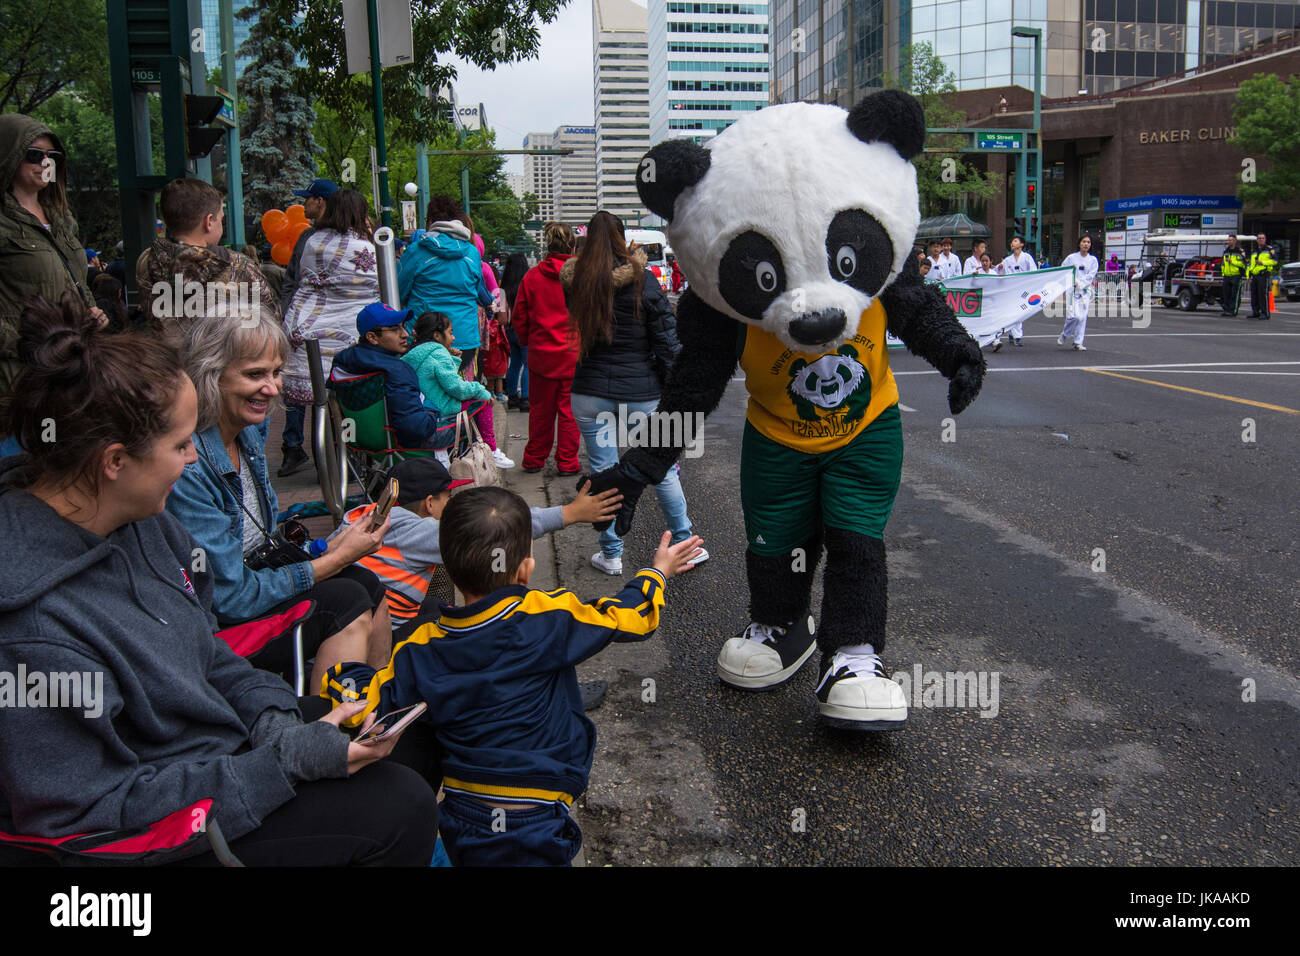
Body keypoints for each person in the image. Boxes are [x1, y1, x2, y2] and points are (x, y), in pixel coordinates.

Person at [0, 293, 437, 866]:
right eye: (181, 444)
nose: (190, 461)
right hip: (148, 827)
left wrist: (279, 724)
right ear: (114, 461)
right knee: (399, 805)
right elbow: (91, 817)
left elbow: (207, 650)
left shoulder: (142, 524)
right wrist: (282, 762)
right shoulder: (33, 627)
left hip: (210, 755)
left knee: (410, 737)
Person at [322, 486, 703, 866]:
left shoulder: (422, 646)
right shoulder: (547, 616)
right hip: (534, 817)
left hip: (461, 813)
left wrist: (340, 674)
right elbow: (630, 617)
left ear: (448, 567)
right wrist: (656, 573)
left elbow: (363, 699)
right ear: (525, 568)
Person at [165, 306, 395, 691]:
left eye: (275, 372)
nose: (272, 388)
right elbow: (230, 598)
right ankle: (334, 730)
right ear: (209, 374)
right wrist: (334, 559)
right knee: (345, 603)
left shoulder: (248, 431)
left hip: (258, 578)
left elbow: (264, 541)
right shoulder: (188, 466)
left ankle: (379, 706)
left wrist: (325, 547)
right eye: (255, 374)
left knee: (368, 583)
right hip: (217, 623)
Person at [563, 210, 709, 575]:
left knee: (603, 472)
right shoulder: (644, 281)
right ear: (621, 237)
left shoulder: (577, 282)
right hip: (643, 392)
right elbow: (667, 340)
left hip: (589, 391)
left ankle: (611, 555)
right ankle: (685, 542)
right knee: (660, 469)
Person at [330, 457, 622, 631]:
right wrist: (569, 513)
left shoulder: (363, 514)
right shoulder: (415, 531)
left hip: (354, 616)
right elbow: (489, 529)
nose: (453, 504)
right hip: (382, 634)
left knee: (438, 607)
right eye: (449, 498)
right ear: (430, 503)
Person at [0, 113, 101, 407]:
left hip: (74, 372)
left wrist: (93, 311)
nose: (45, 162)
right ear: (9, 157)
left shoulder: (62, 219)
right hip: (22, 380)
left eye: (52, 155)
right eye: (34, 155)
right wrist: (26, 343)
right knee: (31, 450)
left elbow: (76, 279)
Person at [279, 189, 380, 478]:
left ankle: (327, 464)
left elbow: (301, 280)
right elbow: (378, 285)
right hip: (353, 335)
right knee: (350, 405)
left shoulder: (313, 241)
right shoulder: (366, 247)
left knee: (321, 406)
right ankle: (351, 460)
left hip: (310, 332)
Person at [136, 178, 276, 332]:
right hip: (222, 354)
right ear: (209, 222)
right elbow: (269, 321)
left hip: (167, 354)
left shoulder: (146, 261)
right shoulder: (239, 266)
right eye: (221, 220)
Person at [397, 195, 494, 374]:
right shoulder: (471, 253)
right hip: (464, 337)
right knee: (459, 391)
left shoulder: (415, 251)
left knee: (426, 393)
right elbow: (475, 288)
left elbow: (399, 292)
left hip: (424, 338)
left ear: (431, 221)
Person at [513, 221, 581, 475]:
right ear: (572, 246)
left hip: (541, 355)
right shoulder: (580, 276)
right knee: (568, 413)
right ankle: (567, 462)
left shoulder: (532, 277)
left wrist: (528, 341)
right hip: (573, 354)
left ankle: (534, 459)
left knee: (540, 411)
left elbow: (519, 316)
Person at [401, 310, 491, 457]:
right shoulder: (438, 353)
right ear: (437, 335)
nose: (453, 338)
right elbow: (456, 388)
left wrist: (452, 359)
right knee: (483, 402)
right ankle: (490, 448)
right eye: (450, 333)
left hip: (423, 418)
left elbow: (441, 380)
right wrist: (480, 390)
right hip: (440, 420)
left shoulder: (414, 354)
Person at [280, 178, 337, 311]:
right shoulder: (306, 235)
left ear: (319, 201)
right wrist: (286, 309)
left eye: (307, 198)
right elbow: (291, 278)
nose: (303, 204)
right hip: (298, 314)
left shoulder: (341, 237)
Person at [994, 235, 1037, 350]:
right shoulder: (1007, 260)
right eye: (1012, 241)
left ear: (1021, 244)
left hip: (1023, 289)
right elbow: (996, 271)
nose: (1013, 243)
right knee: (1012, 311)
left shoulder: (1027, 257)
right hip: (1011, 289)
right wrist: (999, 267)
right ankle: (1016, 335)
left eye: (1015, 241)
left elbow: (1034, 272)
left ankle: (1015, 335)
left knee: (1019, 312)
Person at [1058, 234, 1099, 351]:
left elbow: (1091, 275)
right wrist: (1072, 281)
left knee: (1082, 317)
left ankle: (1078, 342)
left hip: (1085, 291)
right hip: (1072, 290)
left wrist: (1080, 283)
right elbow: (1063, 269)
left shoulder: (1093, 260)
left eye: (1088, 242)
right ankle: (1065, 334)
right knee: (1074, 316)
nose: (1086, 244)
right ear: (1079, 243)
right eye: (1084, 242)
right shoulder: (1071, 258)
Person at [501, 253, 530, 411]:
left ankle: (512, 397)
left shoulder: (503, 288)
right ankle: (526, 398)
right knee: (528, 364)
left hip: (508, 330)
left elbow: (500, 314)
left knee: (514, 363)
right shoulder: (526, 284)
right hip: (524, 329)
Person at [1247, 232, 1277, 320]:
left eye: (1262, 238)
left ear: (1265, 239)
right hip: (1255, 275)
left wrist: (1263, 263)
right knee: (1254, 294)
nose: (1261, 240)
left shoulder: (1269, 249)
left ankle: (1265, 313)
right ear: (1257, 240)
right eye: (1259, 238)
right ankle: (1255, 312)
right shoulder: (1254, 251)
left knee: (1263, 294)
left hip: (1263, 274)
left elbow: (1275, 261)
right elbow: (1250, 264)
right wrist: (1248, 275)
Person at [1219, 234, 1245, 317]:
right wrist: (1223, 273)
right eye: (1228, 240)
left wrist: (1232, 261)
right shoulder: (1225, 251)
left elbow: (1243, 264)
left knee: (1235, 294)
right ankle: (1226, 310)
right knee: (1226, 294)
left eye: (1231, 240)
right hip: (1227, 275)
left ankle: (1233, 311)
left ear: (1235, 241)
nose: (1229, 241)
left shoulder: (1239, 251)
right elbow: (1223, 264)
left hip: (1236, 275)